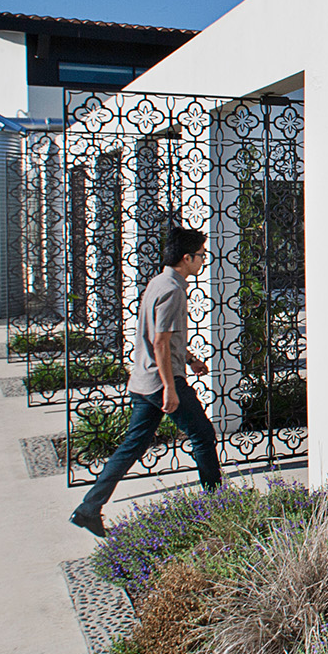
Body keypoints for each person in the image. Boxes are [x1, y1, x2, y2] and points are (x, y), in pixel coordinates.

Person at [69, 226, 222, 537]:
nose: (203, 262)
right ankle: (219, 507)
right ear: (186, 258)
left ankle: (88, 508)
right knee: (203, 435)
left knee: (132, 445)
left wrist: (190, 359)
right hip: (160, 381)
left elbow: (165, 338)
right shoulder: (173, 290)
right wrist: (170, 387)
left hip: (144, 380)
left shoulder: (159, 283)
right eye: (201, 256)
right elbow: (160, 342)